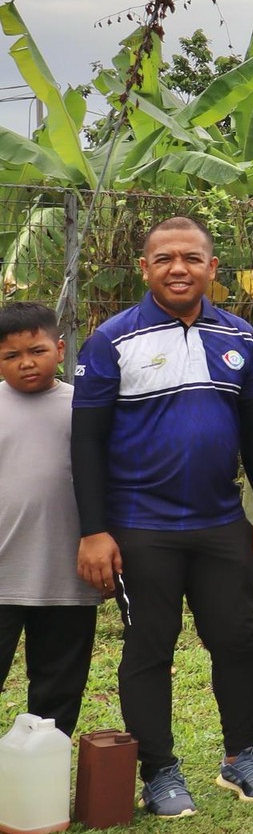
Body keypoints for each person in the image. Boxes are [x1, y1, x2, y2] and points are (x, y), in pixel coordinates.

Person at [72, 216, 253, 818]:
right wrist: (93, 530)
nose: (178, 269)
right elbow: (84, 446)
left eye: (192, 258)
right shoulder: (111, 341)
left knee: (237, 638)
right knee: (149, 648)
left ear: (212, 268)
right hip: (141, 526)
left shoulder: (239, 337)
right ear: (145, 269)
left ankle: (242, 756)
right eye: (164, 258)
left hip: (221, 522)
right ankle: (160, 771)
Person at [0, 303, 101, 735]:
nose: (26, 363)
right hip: (3, 575)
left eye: (37, 350)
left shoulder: (86, 409)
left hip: (67, 577)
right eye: (10, 355)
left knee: (58, 693)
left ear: (60, 349)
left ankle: (40, 785)